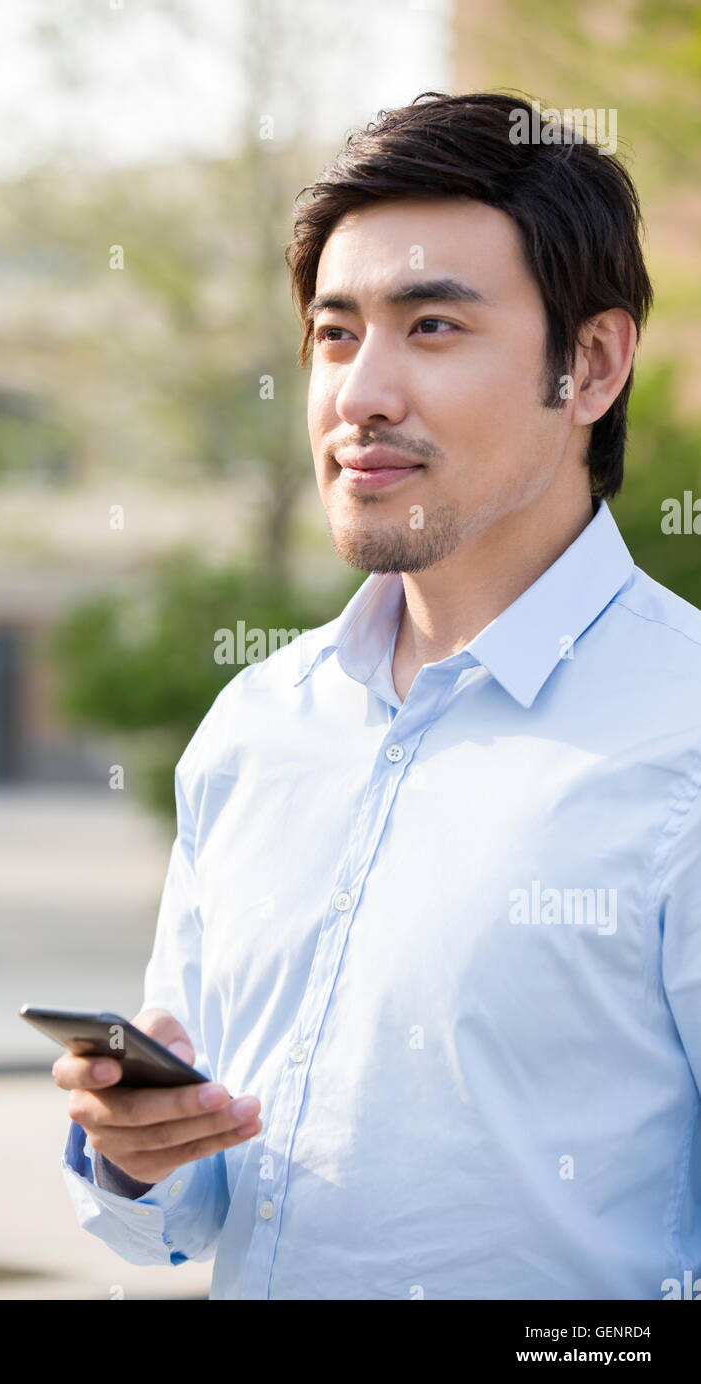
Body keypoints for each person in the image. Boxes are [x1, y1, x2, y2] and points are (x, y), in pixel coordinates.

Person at [54, 91, 701, 1300]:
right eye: (335, 333)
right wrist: (139, 1156)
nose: (359, 394)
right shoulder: (255, 727)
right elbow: (185, 1216)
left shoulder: (683, 735)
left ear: (593, 364)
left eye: (433, 328)